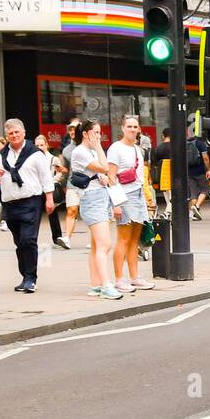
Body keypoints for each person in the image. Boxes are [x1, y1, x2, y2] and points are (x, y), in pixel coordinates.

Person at [0, 119, 54, 293]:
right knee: (19, 242)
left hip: (31, 202)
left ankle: (32, 278)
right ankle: (25, 275)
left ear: (24, 133)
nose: (14, 135)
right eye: (11, 133)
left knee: (28, 240)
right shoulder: (1, 156)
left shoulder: (35, 153)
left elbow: (46, 177)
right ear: (7, 136)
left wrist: (49, 198)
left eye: (17, 132)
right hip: (10, 204)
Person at [71, 119, 123, 299]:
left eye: (100, 133)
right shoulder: (80, 151)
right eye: (95, 132)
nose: (98, 136)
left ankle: (95, 285)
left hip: (99, 197)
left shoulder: (89, 151)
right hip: (92, 200)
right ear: (85, 134)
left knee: (96, 246)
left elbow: (104, 173)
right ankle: (106, 285)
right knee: (104, 245)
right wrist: (99, 147)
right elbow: (104, 167)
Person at [108, 115, 155, 293]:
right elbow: (111, 177)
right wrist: (116, 203)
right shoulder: (115, 148)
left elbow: (140, 177)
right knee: (123, 238)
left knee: (135, 240)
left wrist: (146, 197)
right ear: (122, 128)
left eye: (135, 126)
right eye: (129, 126)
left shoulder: (138, 149)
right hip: (123, 196)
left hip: (138, 196)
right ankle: (120, 279)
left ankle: (135, 277)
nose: (133, 129)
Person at [36, 134, 69, 250]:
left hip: (48, 188)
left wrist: (54, 179)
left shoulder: (52, 158)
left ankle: (57, 237)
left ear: (46, 145)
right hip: (36, 189)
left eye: (42, 145)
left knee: (52, 213)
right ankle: (31, 238)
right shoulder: (33, 158)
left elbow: (62, 171)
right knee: (34, 214)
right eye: (37, 145)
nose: (40, 147)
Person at [61, 118, 82, 246]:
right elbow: (66, 170)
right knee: (71, 210)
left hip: (90, 185)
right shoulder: (66, 150)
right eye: (70, 129)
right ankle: (67, 238)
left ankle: (95, 239)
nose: (72, 131)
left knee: (89, 213)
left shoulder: (90, 146)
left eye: (75, 128)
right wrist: (61, 169)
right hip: (72, 184)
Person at [186, 121, 210, 221]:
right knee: (205, 190)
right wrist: (208, 169)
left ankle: (193, 215)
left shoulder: (186, 143)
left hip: (189, 171)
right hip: (200, 170)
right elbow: (205, 158)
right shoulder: (200, 143)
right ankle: (196, 207)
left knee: (193, 193)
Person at [151, 127, 173, 213]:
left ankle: (169, 213)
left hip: (162, 175)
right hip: (174, 175)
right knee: (173, 197)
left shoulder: (158, 148)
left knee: (167, 196)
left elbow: (155, 164)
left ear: (163, 136)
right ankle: (167, 212)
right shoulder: (176, 147)